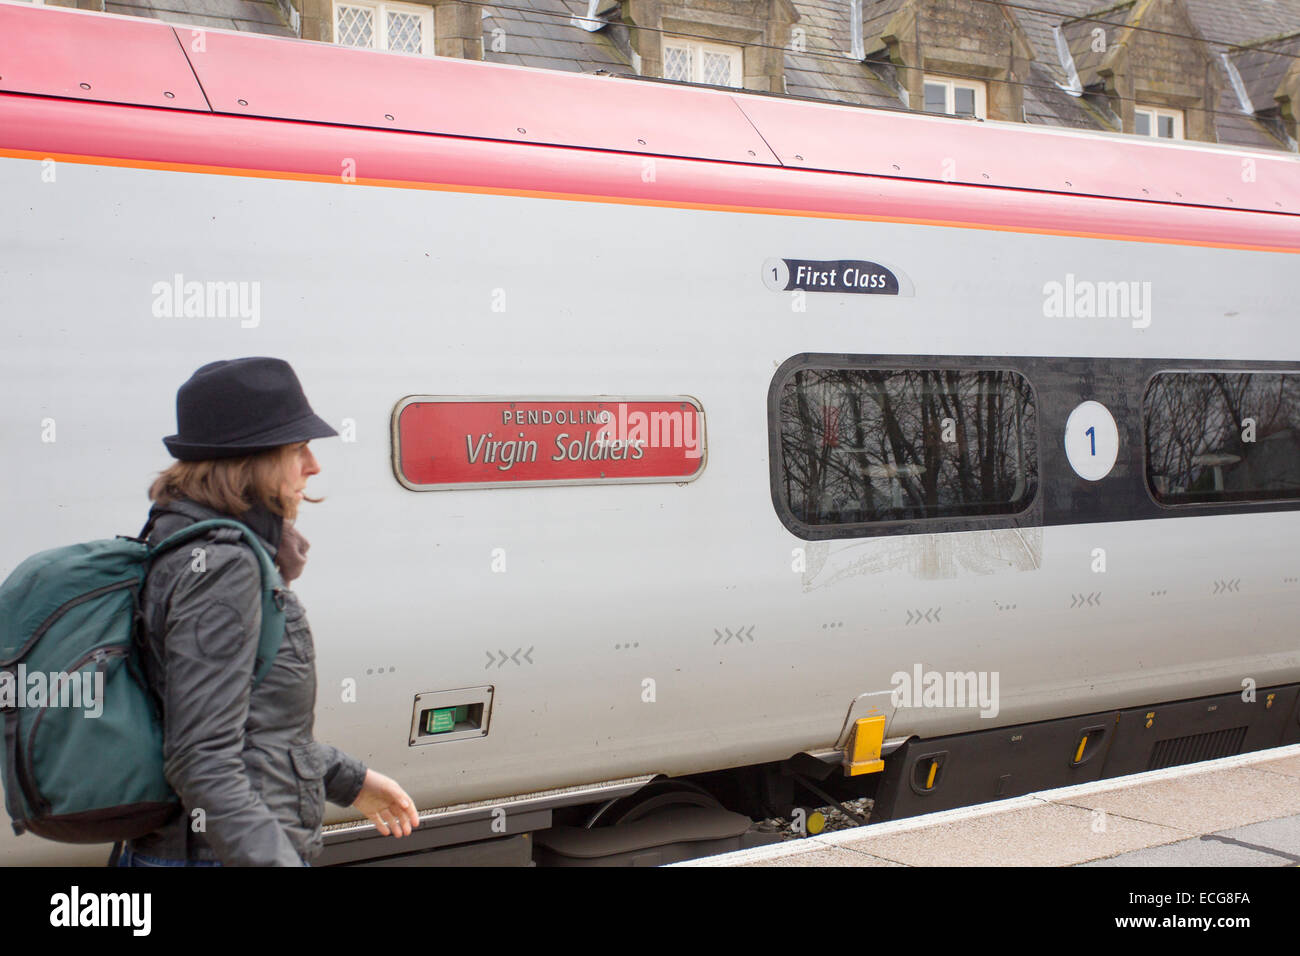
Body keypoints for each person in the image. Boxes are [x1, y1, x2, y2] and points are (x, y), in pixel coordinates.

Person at [113, 356, 419, 866]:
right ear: (250, 460)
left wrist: (349, 781)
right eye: (297, 448)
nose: (313, 466)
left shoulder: (199, 548)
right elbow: (202, 757)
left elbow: (250, 731)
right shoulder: (221, 567)